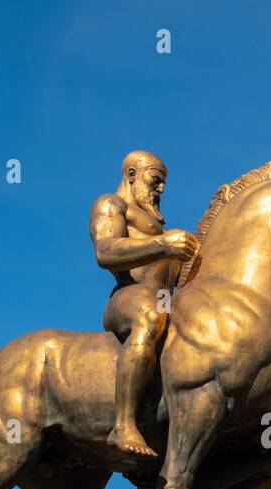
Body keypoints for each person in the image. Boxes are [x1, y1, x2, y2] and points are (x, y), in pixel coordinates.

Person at [89, 150, 199, 456]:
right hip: (130, 297)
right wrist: (162, 244)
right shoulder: (111, 205)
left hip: (165, 300)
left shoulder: (161, 229)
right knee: (151, 315)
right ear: (132, 175)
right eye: (155, 180)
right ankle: (123, 425)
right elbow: (105, 251)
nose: (160, 189)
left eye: (163, 183)